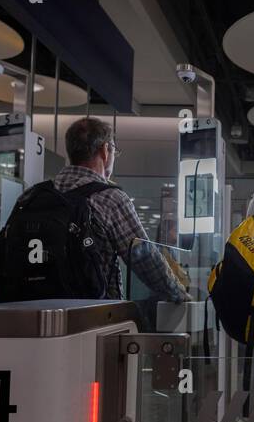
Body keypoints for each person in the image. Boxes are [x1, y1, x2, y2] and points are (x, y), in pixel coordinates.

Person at [52, 117, 187, 305]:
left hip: (36, 313)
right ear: (105, 151)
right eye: (114, 149)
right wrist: (179, 294)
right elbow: (144, 258)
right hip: (92, 314)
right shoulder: (109, 198)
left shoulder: (40, 194)